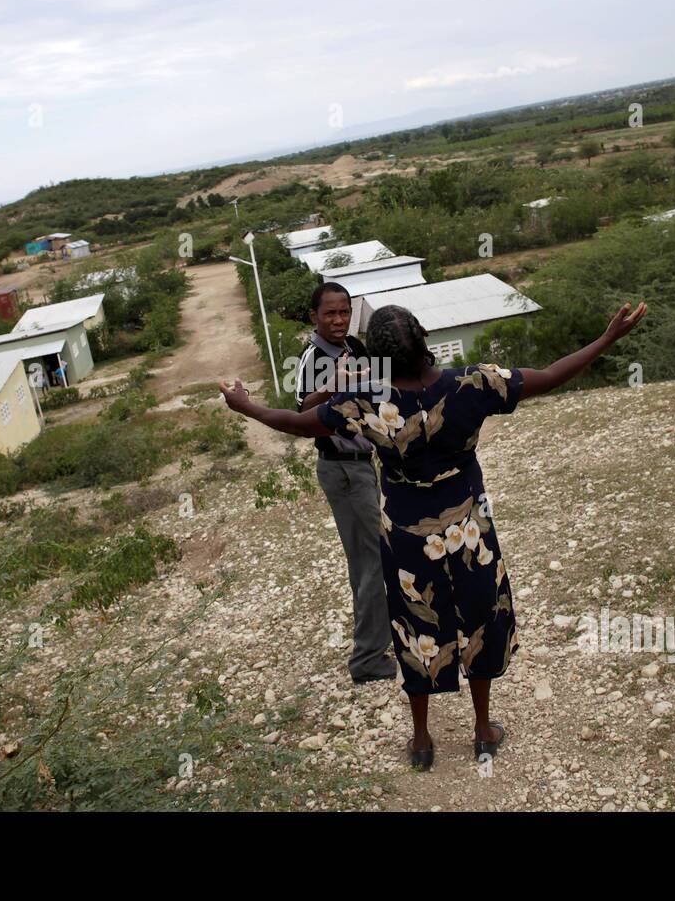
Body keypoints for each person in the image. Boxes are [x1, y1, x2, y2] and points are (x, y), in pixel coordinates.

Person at [220, 299, 647, 770]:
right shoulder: (472, 383)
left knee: (415, 630)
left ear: (375, 356)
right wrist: (606, 339)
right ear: (424, 338)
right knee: (480, 621)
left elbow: (298, 424)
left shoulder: (367, 404)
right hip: (469, 530)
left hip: (406, 537)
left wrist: (245, 406)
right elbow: (549, 376)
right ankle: (483, 730)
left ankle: (422, 740)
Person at [294, 282, 397, 684]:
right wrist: (330, 387)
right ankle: (368, 658)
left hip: (363, 464)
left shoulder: (355, 346)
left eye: (344, 312)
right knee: (373, 561)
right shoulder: (314, 356)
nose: (338, 321)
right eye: (330, 314)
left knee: (370, 559)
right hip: (342, 468)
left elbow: (384, 384)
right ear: (314, 317)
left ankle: (378, 642)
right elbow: (301, 410)